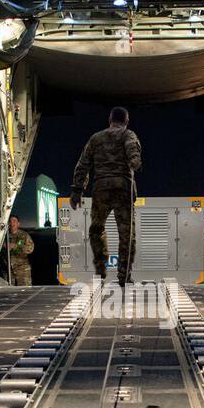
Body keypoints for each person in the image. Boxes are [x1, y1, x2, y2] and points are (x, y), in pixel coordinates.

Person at [71, 106, 142, 286]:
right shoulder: (128, 134)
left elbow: (83, 164)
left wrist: (77, 190)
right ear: (126, 121)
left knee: (96, 228)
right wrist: (134, 161)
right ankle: (124, 276)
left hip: (101, 189)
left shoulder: (96, 138)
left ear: (109, 120)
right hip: (123, 188)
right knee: (126, 234)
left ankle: (101, 268)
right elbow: (133, 153)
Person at [6, 215, 35, 286]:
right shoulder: (4, 235)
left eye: (14, 221)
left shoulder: (24, 235)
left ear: (18, 223)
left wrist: (16, 246)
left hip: (22, 269)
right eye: (10, 221)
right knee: (8, 292)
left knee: (24, 291)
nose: (12, 223)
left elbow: (30, 249)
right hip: (8, 270)